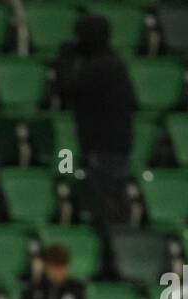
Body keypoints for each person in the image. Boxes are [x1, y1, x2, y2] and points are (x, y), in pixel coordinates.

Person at [54, 15, 135, 228]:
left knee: (106, 208)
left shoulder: (99, 67)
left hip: (102, 148)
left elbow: (68, 89)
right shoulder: (116, 64)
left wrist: (64, 60)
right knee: (114, 201)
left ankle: (113, 250)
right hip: (117, 146)